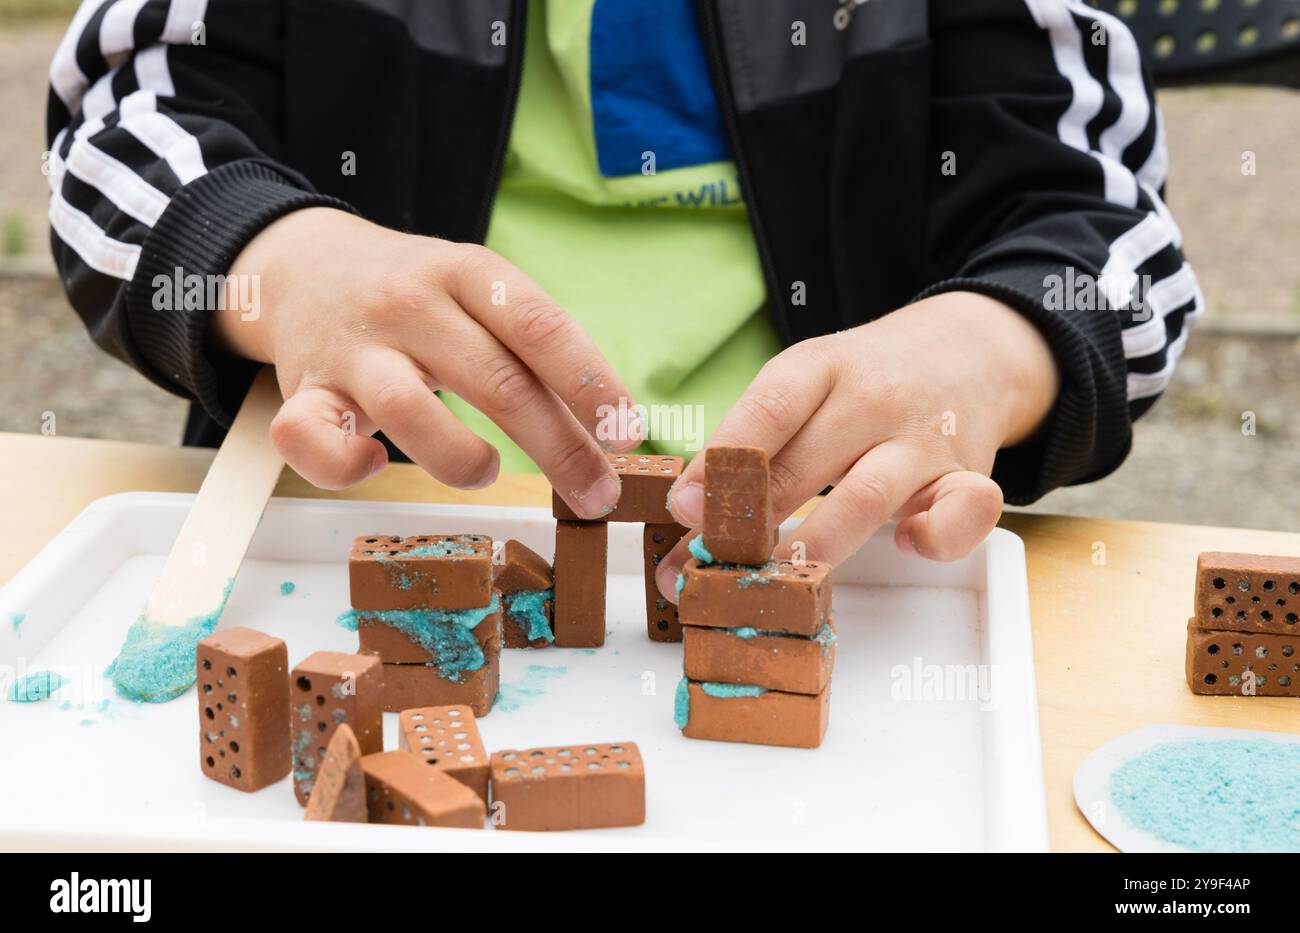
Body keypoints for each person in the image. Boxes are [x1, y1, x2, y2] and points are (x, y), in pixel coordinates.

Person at [45, 0, 1199, 600]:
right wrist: (279, 257)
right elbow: (119, 130)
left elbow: (1107, 234)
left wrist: (992, 348)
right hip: (329, 523)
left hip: (849, 561)